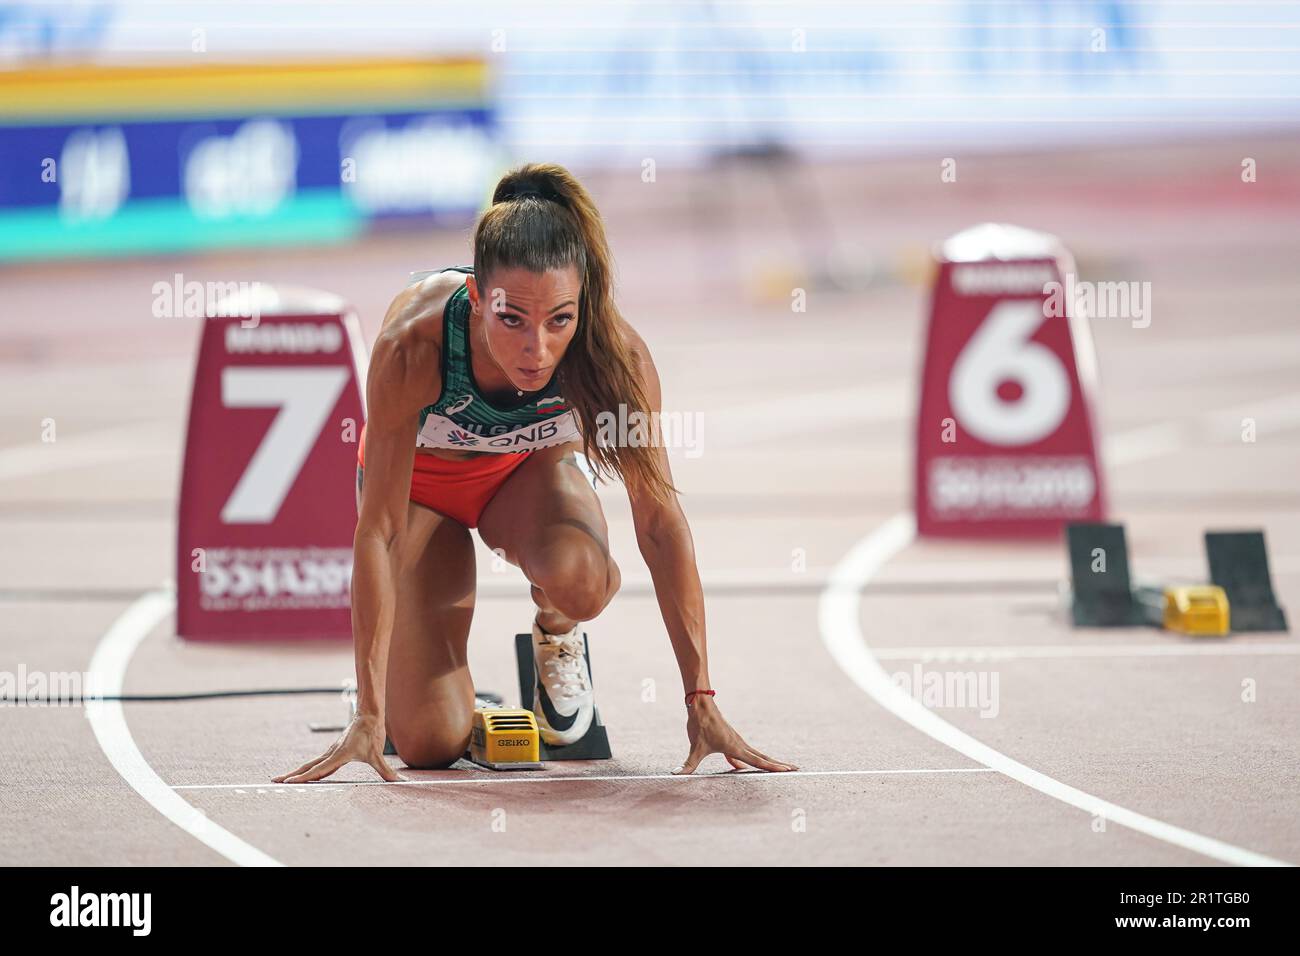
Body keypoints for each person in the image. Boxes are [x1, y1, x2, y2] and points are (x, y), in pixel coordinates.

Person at [275, 162, 796, 783]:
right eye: (512, 319)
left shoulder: (615, 358)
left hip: (521, 481)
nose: (537, 350)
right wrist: (368, 710)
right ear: (477, 296)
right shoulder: (413, 346)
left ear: (582, 306)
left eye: (559, 321)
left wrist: (700, 698)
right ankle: (436, 702)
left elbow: (658, 522)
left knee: (581, 579)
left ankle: (556, 635)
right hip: (420, 495)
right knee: (428, 744)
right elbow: (380, 531)